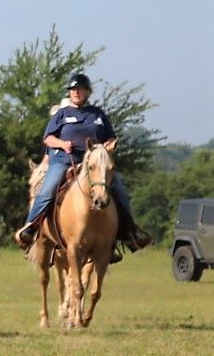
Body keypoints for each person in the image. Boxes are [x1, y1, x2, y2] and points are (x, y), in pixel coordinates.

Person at [14, 72, 151, 252]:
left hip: (95, 164)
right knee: (49, 187)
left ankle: (129, 232)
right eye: (73, 89)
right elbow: (48, 139)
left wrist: (107, 146)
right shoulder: (62, 114)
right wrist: (62, 144)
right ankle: (30, 227)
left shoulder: (98, 115)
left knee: (118, 189)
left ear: (88, 92)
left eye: (80, 89)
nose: (76, 92)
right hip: (65, 160)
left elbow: (110, 137)